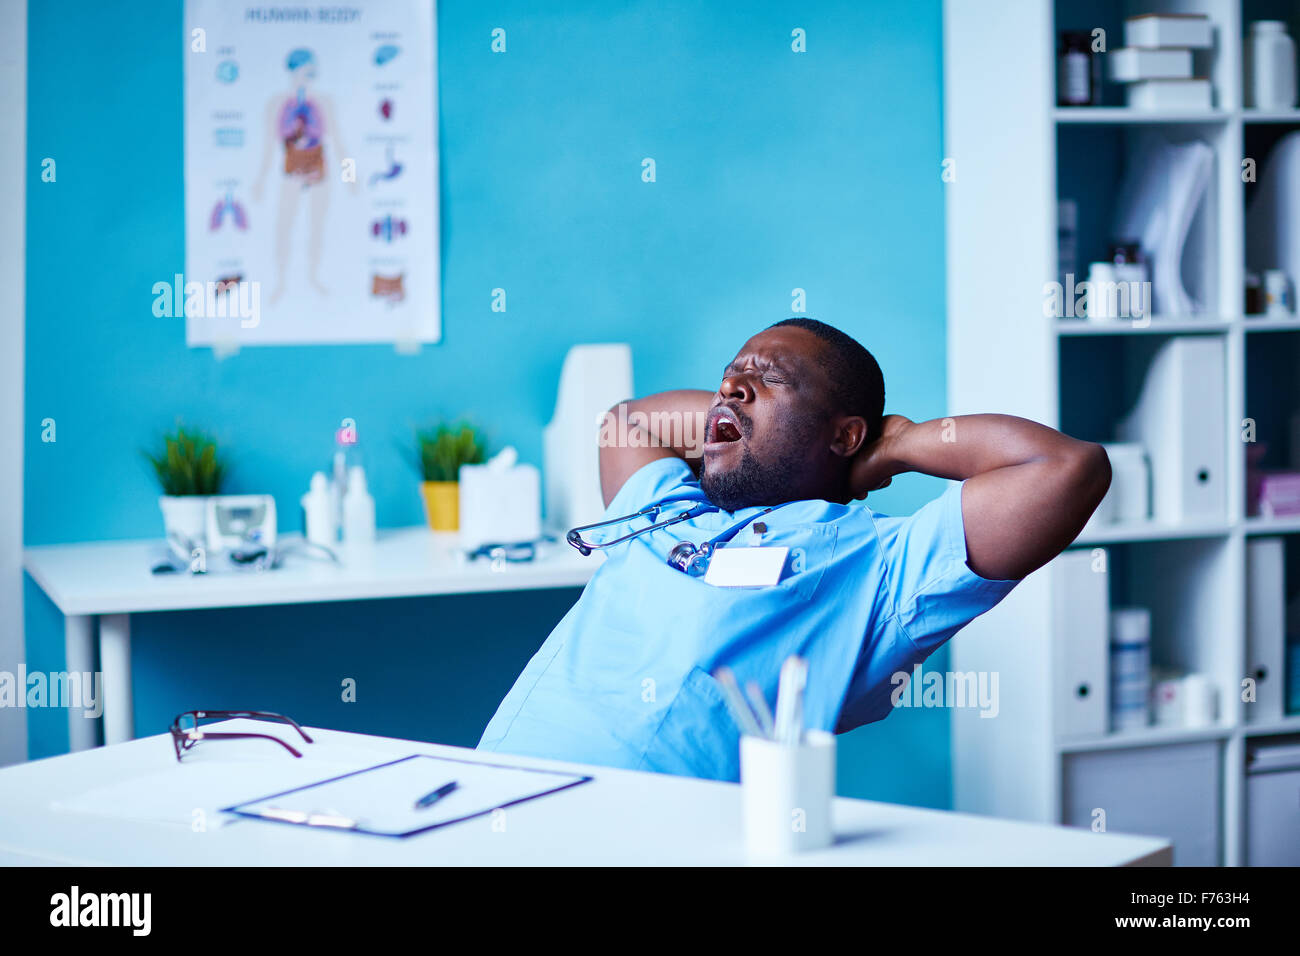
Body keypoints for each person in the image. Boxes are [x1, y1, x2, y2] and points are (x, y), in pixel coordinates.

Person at [478, 318, 1110, 780]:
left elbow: (1064, 467)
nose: (730, 387)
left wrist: (895, 446)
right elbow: (627, 421)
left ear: (845, 434)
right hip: (492, 792)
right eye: (728, 378)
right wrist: (746, 409)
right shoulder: (669, 504)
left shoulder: (879, 565)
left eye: (769, 378)